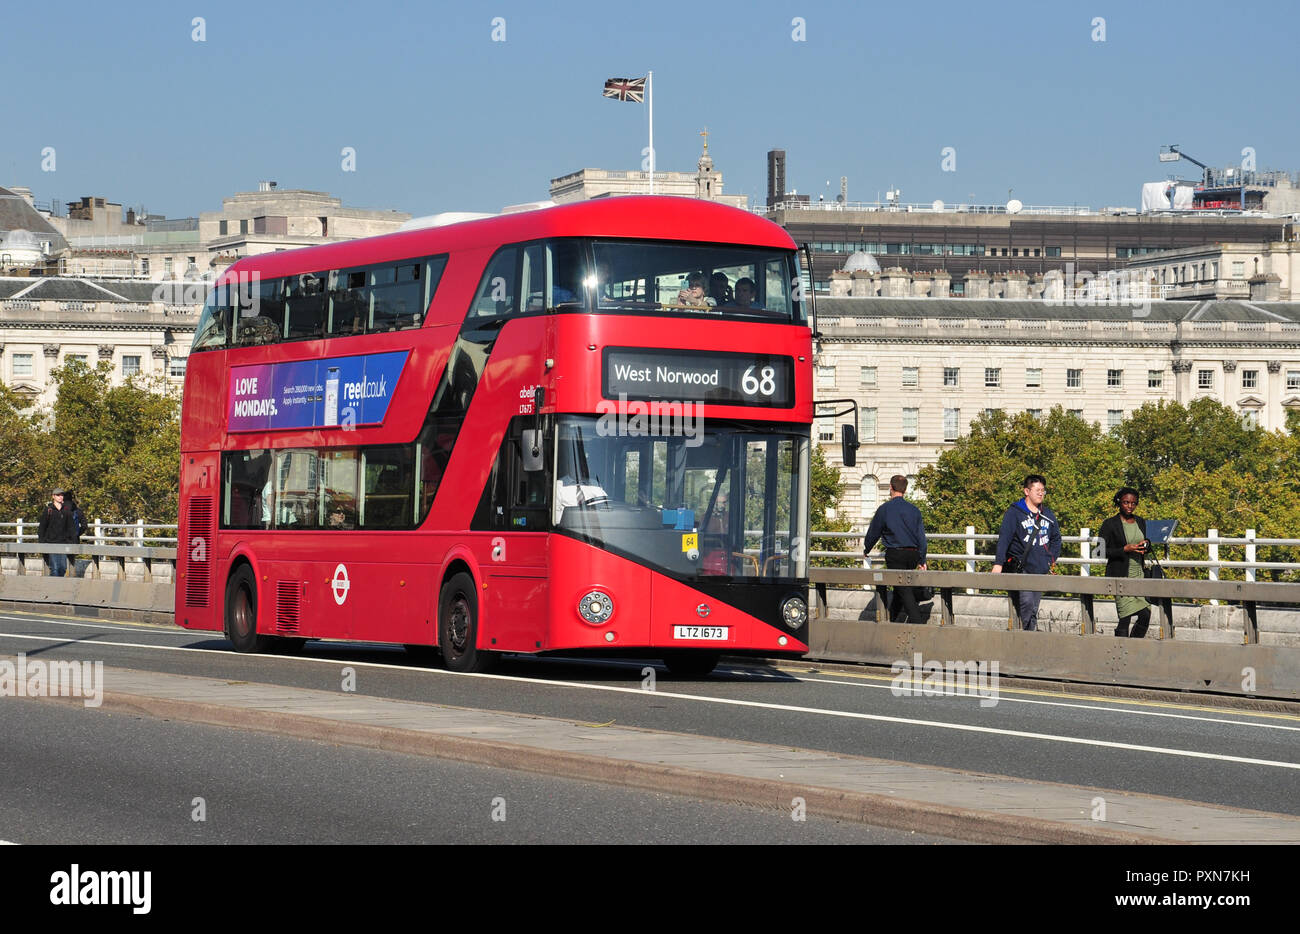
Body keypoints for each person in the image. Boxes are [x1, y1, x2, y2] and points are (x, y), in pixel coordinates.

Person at [992, 473, 1062, 631]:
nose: (1040, 493)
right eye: (1037, 490)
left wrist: (1050, 559)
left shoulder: (1048, 514)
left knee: (1033, 607)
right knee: (1026, 604)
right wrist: (998, 564)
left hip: (1040, 568)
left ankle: (1029, 638)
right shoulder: (1014, 513)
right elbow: (1004, 539)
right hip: (1021, 568)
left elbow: (1056, 538)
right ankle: (1028, 638)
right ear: (1026, 491)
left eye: (1043, 490)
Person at [863, 475, 928, 624]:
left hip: (895, 554)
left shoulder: (884, 509)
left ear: (891, 488)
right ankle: (891, 622)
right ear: (905, 490)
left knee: (903, 589)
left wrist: (867, 548)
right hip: (912, 554)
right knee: (900, 590)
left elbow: (874, 531)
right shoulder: (914, 510)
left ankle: (918, 624)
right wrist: (922, 558)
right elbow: (921, 537)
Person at [1099, 487, 1152, 638]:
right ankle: (1121, 651)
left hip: (1139, 574)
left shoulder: (1141, 521)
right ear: (1119, 503)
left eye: (1133, 503)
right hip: (1121, 575)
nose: (1130, 506)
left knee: (1146, 615)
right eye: (1126, 502)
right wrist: (1124, 549)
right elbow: (1101, 551)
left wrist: (1145, 546)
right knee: (1125, 617)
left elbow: (1146, 542)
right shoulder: (1109, 524)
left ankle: (1134, 647)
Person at [37, 487, 74, 578]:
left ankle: (57, 588)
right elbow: (42, 528)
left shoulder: (66, 510)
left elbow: (71, 528)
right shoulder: (48, 510)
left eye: (62, 495)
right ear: (53, 496)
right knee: (55, 568)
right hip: (51, 543)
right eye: (58, 495)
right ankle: (53, 589)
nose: (60, 497)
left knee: (63, 568)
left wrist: (71, 542)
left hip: (63, 544)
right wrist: (42, 543)